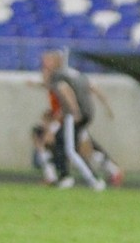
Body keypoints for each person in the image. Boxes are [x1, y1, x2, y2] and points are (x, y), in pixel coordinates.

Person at [41, 50, 107, 191]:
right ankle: (65, 176)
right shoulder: (72, 73)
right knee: (60, 139)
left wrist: (75, 110)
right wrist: (106, 105)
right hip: (87, 112)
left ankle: (94, 180)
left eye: (47, 61)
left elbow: (66, 91)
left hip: (74, 114)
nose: (44, 64)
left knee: (71, 149)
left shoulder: (58, 76)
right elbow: (92, 86)